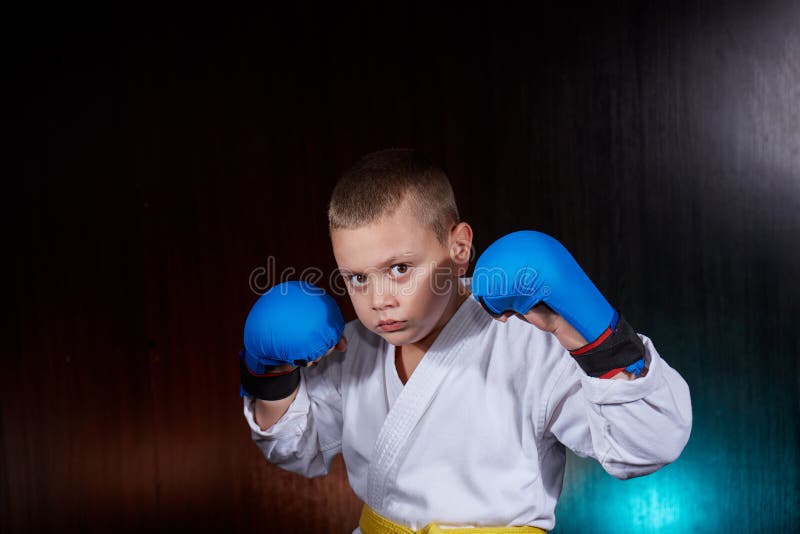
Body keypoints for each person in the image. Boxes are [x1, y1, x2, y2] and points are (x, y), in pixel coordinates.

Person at [240, 149, 692, 533]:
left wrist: (594, 334)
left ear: (459, 248)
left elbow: (649, 446)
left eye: (399, 269)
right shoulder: (352, 348)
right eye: (357, 278)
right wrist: (270, 378)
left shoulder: (530, 343)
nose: (379, 300)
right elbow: (295, 450)